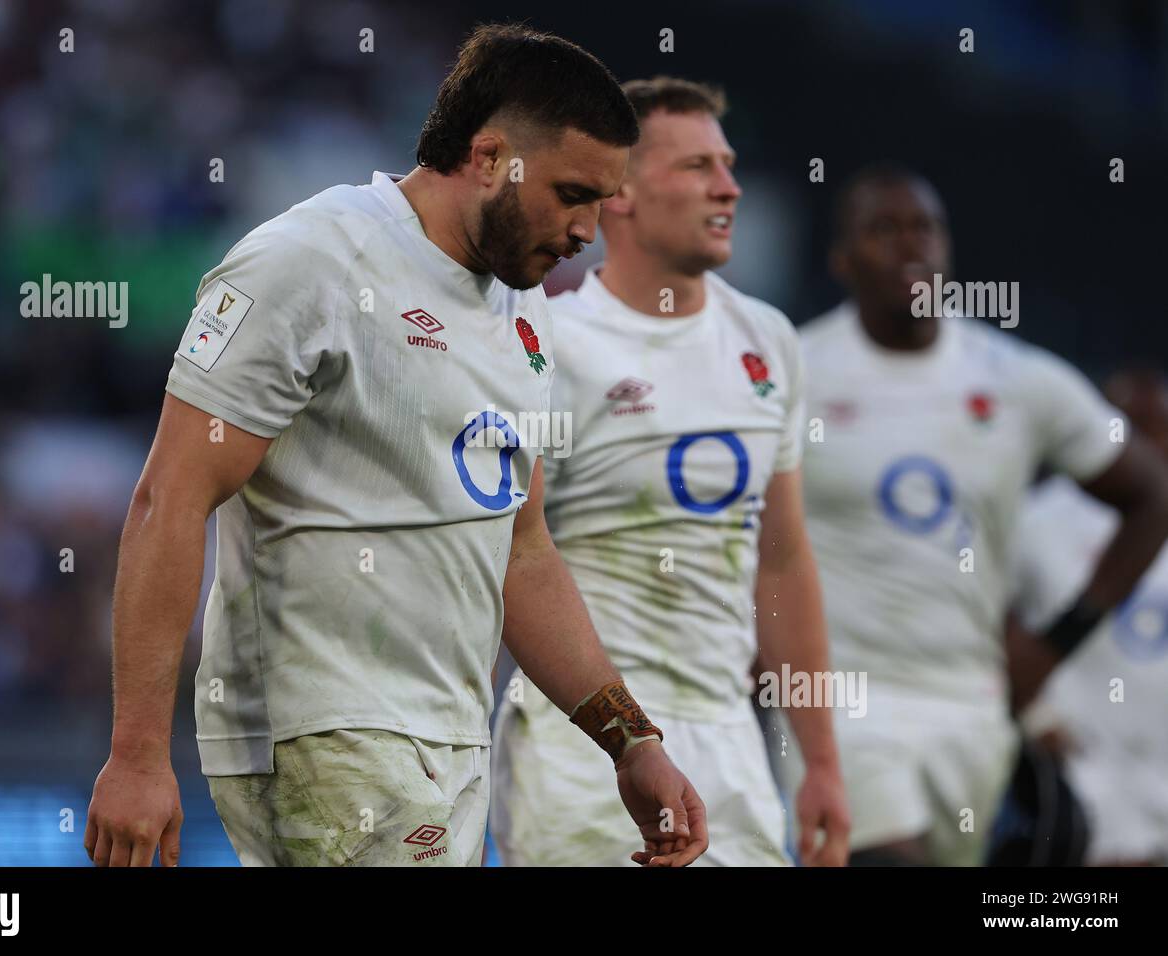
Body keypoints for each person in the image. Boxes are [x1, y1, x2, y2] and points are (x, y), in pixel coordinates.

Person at [84, 24, 708, 868]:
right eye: (571, 194)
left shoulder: (523, 310)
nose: (587, 229)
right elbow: (170, 497)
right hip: (323, 732)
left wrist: (632, 743)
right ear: (489, 157)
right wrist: (135, 756)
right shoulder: (310, 262)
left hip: (451, 740)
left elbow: (522, 553)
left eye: (602, 201)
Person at [490, 77, 848, 867]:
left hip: (731, 742)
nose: (729, 186)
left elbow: (783, 560)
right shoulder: (549, 343)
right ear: (617, 193)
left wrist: (820, 762)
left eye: (727, 163)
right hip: (584, 746)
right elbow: (510, 554)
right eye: (695, 167)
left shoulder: (768, 337)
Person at [793, 164, 1168, 865]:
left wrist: (1054, 646)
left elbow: (1151, 496)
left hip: (973, 701)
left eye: (925, 227)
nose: (911, 246)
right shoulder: (794, 372)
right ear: (842, 260)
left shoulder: (1017, 378)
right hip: (842, 697)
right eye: (884, 229)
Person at [1009, 366, 1168, 865]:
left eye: (1154, 421)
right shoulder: (1038, 520)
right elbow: (994, 615)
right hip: (1084, 750)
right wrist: (1034, 715)